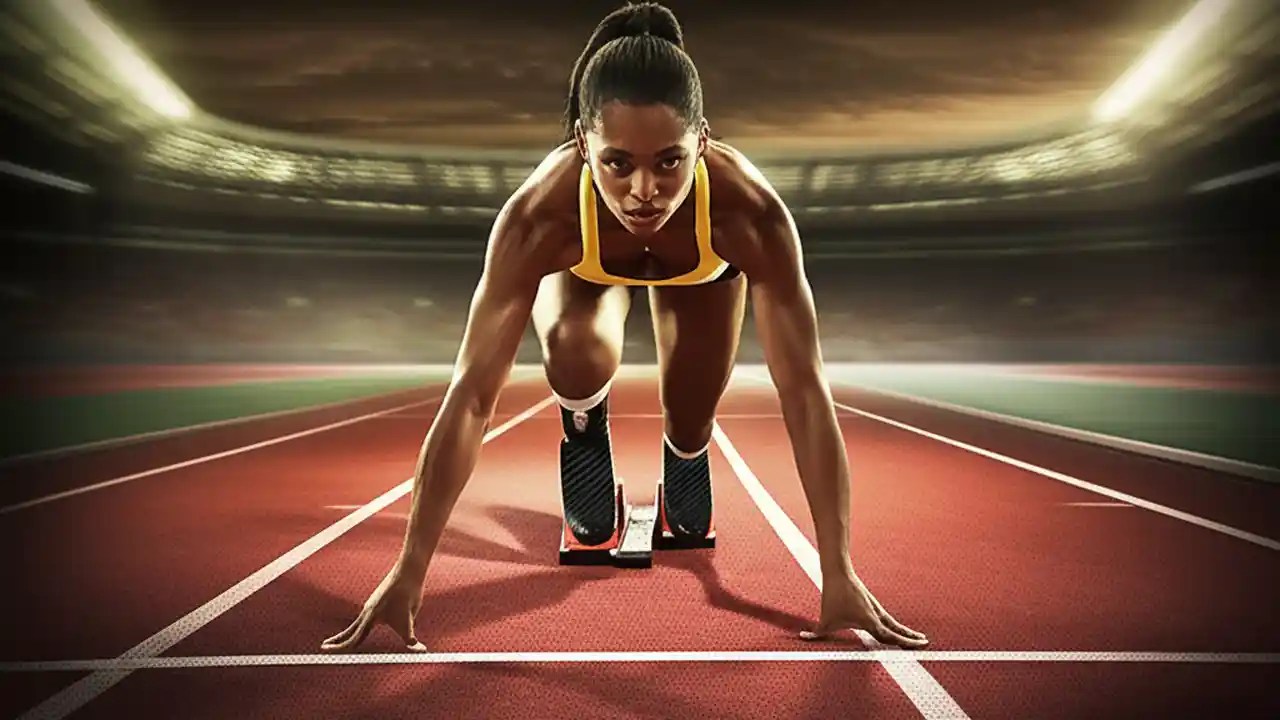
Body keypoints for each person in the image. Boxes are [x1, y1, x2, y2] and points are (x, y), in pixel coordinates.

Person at [322, 1, 927, 652]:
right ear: (584, 144)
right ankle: (584, 430)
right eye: (617, 163)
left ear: (703, 139)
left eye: (669, 161)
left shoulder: (749, 215)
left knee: (693, 406)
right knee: (573, 349)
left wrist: (838, 572)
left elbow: (805, 395)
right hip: (585, 275)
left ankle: (686, 455)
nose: (644, 190)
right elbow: (471, 397)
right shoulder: (539, 218)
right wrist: (410, 573)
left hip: (704, 275)